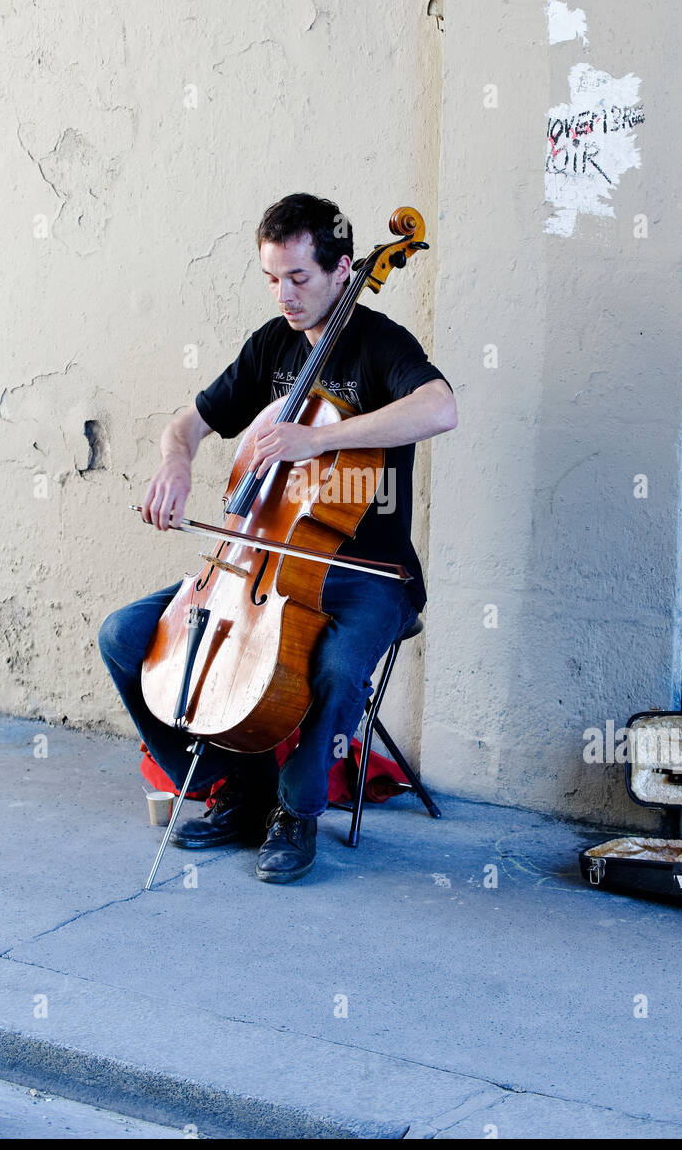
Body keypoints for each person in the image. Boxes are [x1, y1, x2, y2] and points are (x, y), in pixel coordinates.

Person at [99, 193, 456, 883]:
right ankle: (239, 787)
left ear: (341, 269)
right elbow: (190, 420)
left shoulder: (379, 345)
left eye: (297, 278)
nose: (284, 295)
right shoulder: (270, 345)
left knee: (333, 668)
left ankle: (296, 812)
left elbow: (439, 407)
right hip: (256, 562)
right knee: (123, 636)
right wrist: (176, 459)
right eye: (271, 278)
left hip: (368, 574)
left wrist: (315, 438)